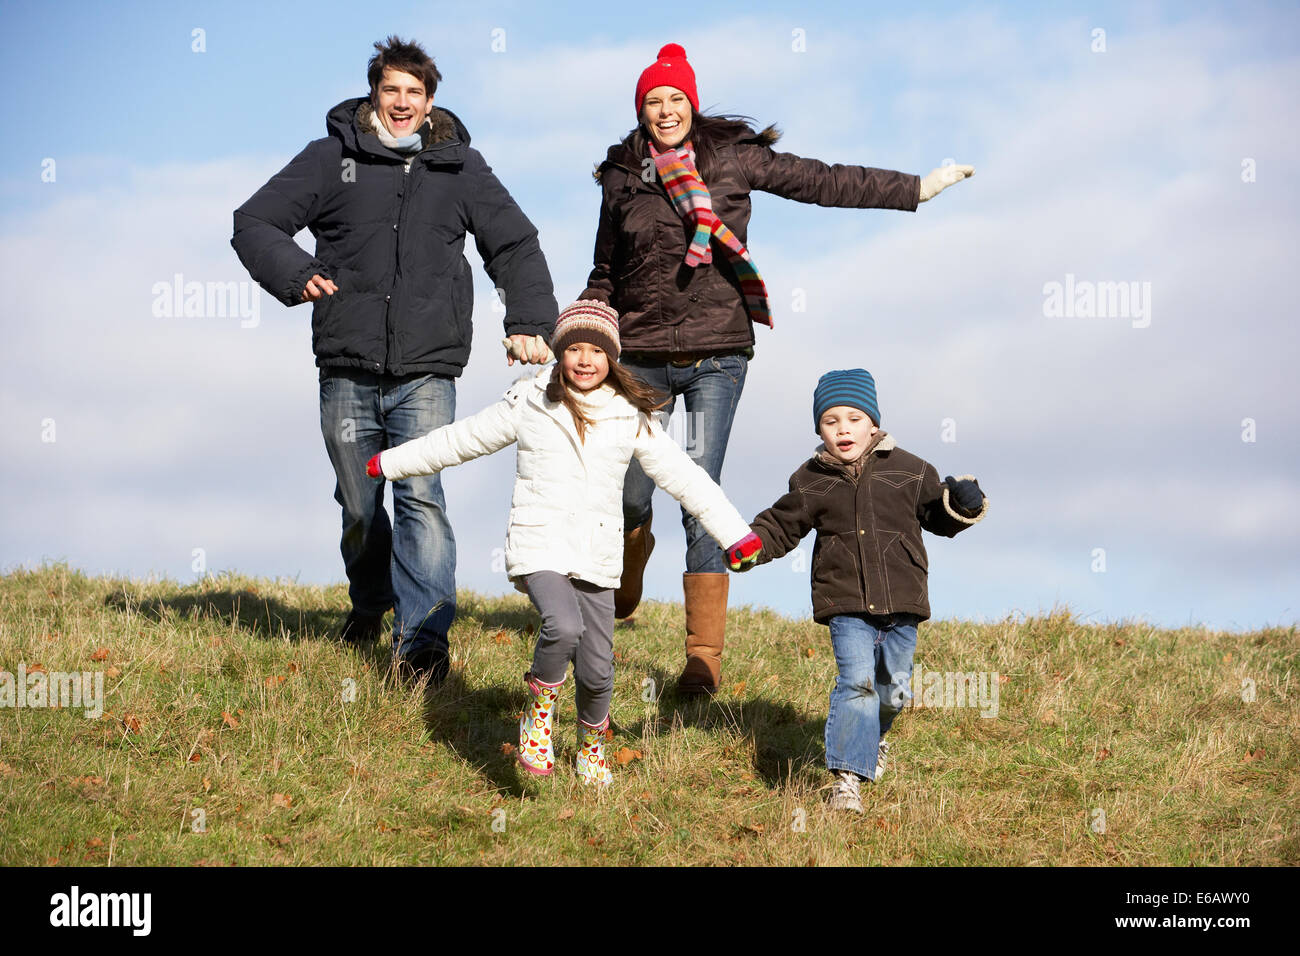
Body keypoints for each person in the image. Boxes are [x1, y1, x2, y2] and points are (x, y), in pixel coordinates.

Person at [580, 42, 975, 695]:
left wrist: (916, 188)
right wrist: (582, 328)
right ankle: (627, 567)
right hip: (642, 354)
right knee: (628, 489)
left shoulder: (730, 157)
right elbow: (604, 269)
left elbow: (822, 180)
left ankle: (702, 659)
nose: (666, 110)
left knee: (699, 491)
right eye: (655, 100)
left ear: (691, 103)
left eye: (676, 98)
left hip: (716, 354)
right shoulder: (624, 173)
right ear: (641, 110)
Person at [230, 36, 557, 684]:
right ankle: (371, 599)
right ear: (374, 95)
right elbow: (255, 222)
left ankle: (423, 648)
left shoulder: (459, 167)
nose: (402, 102)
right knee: (358, 504)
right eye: (392, 91)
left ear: (430, 101)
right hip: (346, 365)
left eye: (415, 92)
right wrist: (296, 273)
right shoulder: (332, 161)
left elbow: (514, 244)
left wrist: (528, 323)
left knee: (421, 497)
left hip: (426, 370)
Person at [367, 301, 756, 784]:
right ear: (559, 353)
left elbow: (686, 478)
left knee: (597, 671)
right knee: (563, 625)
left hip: (596, 555)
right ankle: (538, 720)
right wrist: (392, 462)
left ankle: (592, 744)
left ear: (613, 358)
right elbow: (460, 439)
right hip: (540, 545)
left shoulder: (629, 415)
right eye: (575, 349)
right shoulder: (530, 402)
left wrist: (736, 533)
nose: (586, 359)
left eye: (597, 350)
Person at [726, 369, 989, 813]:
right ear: (819, 430)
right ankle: (846, 779)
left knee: (894, 691)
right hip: (844, 602)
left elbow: (940, 516)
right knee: (856, 684)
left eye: (852, 418)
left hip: (902, 601)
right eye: (830, 421)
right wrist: (748, 546)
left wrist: (964, 502)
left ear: (873, 423)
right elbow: (780, 525)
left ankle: (875, 740)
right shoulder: (811, 478)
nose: (843, 429)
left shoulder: (910, 469)